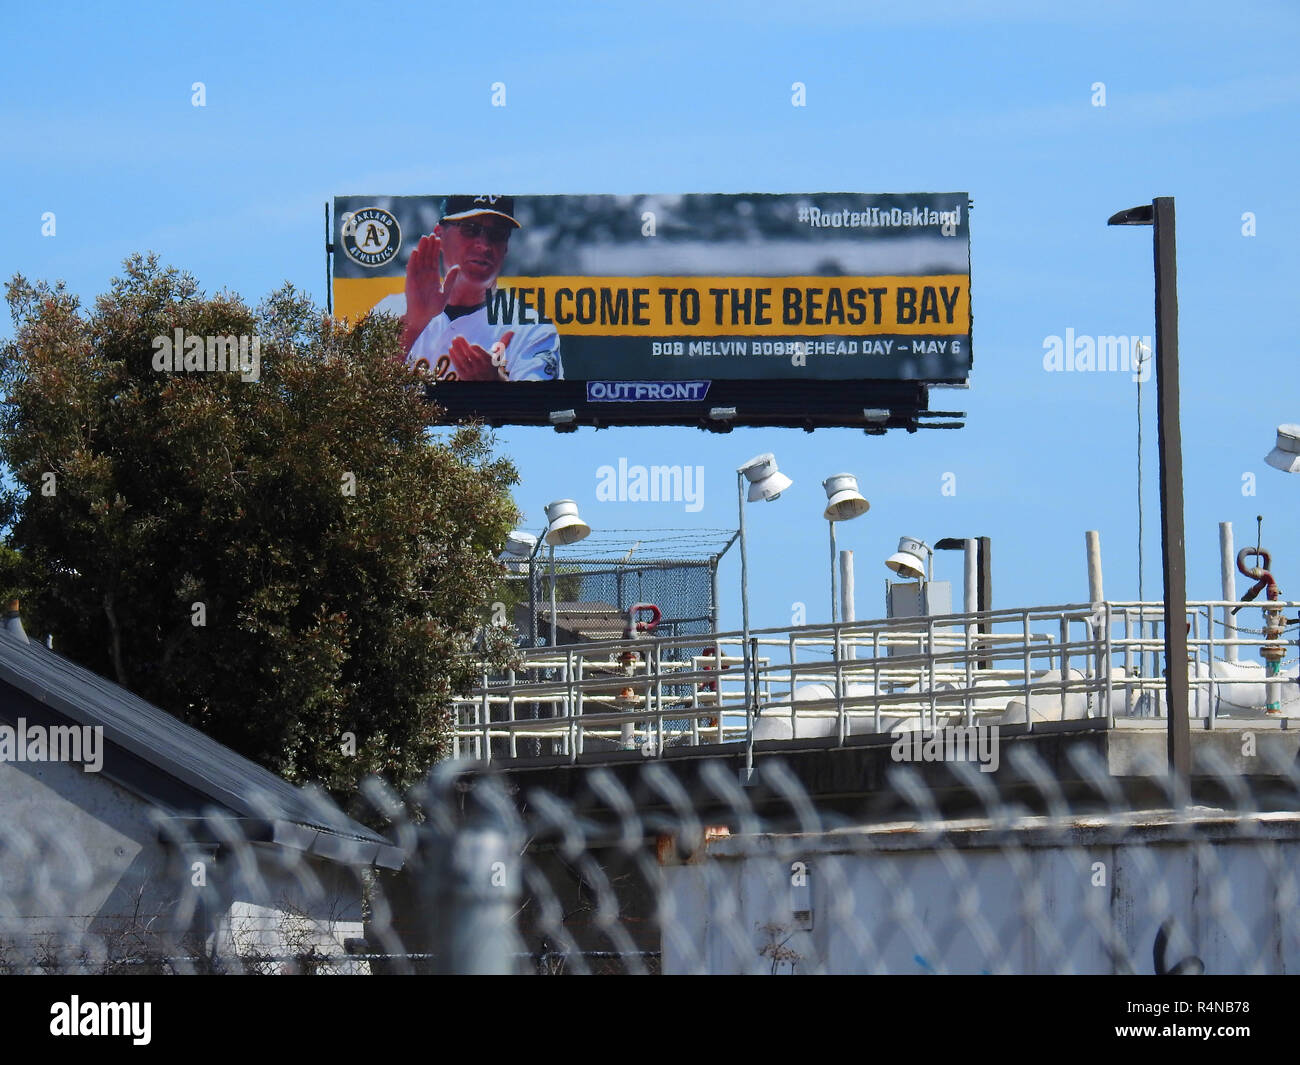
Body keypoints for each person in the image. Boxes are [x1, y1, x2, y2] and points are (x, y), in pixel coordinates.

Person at [400, 196, 562, 382]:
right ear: (439, 234)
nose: (484, 245)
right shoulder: (391, 310)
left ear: (506, 246)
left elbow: (541, 409)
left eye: (497, 234)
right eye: (470, 229)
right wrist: (411, 325)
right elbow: (361, 397)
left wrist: (495, 388)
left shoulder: (531, 327)